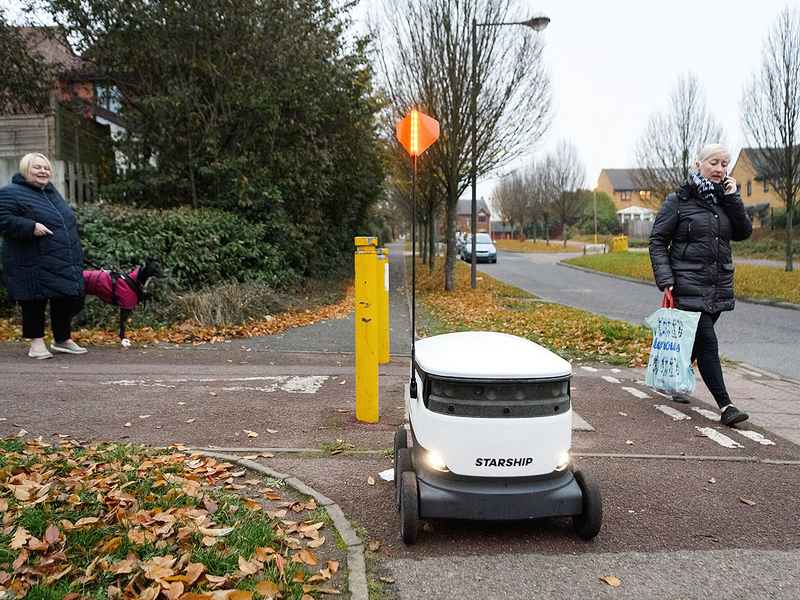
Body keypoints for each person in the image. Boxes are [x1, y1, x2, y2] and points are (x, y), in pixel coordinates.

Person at [649, 143, 753, 426]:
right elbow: (658, 241)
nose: (719, 169)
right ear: (698, 165)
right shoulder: (678, 200)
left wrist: (733, 198)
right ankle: (726, 406)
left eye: (724, 164)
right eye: (713, 163)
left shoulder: (725, 199)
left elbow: (743, 232)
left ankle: (679, 381)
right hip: (685, 283)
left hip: (717, 284)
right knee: (707, 342)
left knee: (693, 341)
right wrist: (665, 279)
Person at [0, 153, 87, 359]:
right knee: (34, 300)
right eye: (37, 167)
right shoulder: (10, 192)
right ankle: (36, 343)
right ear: (25, 170)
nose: (43, 171)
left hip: (60, 257)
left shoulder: (52, 193)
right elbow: (3, 220)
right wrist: (30, 226)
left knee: (64, 296)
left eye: (46, 168)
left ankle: (62, 339)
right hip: (30, 259)